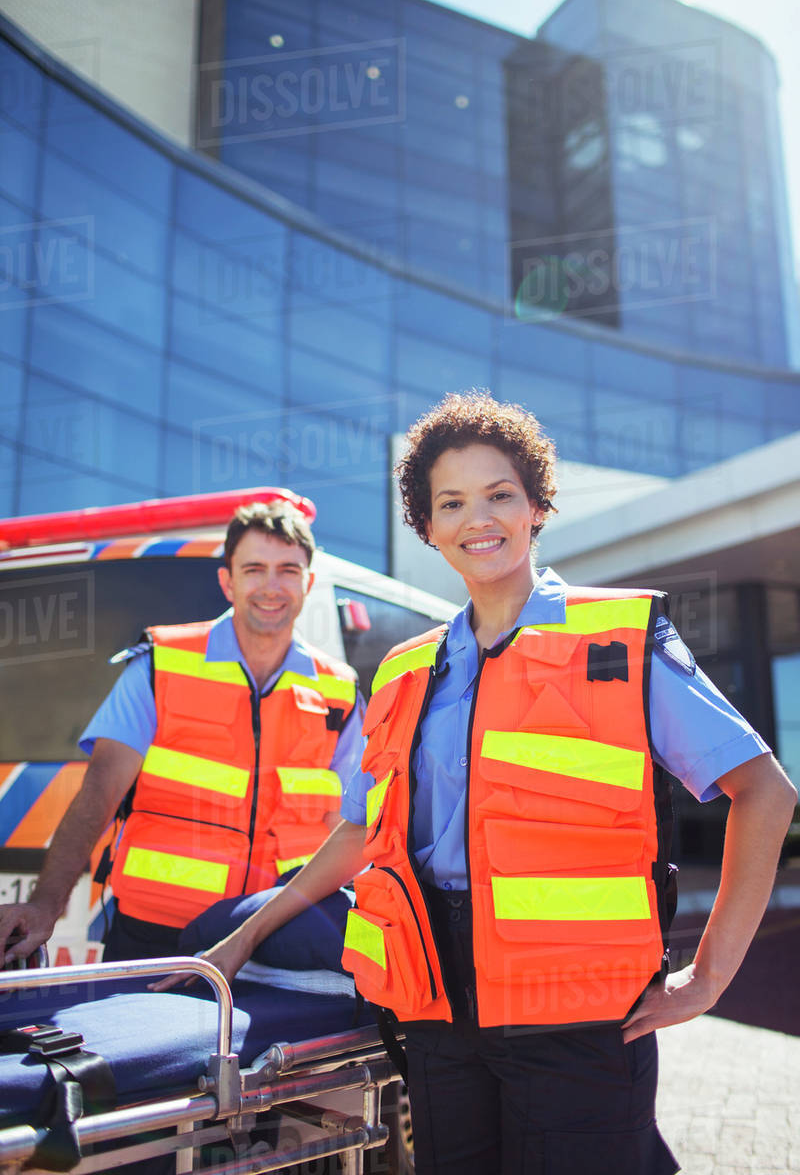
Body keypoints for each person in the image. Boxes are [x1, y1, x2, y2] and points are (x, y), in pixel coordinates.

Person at [154, 394, 796, 1175]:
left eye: (499, 494)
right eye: (450, 502)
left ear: (536, 507)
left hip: (576, 1021)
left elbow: (766, 790)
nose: (477, 518)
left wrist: (711, 975)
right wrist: (245, 935)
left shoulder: (618, 638)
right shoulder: (403, 671)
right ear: (427, 527)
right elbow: (362, 834)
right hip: (436, 1017)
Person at [0, 501, 362, 964]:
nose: (271, 586)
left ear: (308, 583)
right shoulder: (159, 665)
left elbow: (350, 824)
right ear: (227, 582)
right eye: (254, 569)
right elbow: (100, 790)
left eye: (288, 571)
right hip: (155, 936)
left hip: (277, 936)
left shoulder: (341, 689)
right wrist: (45, 905)